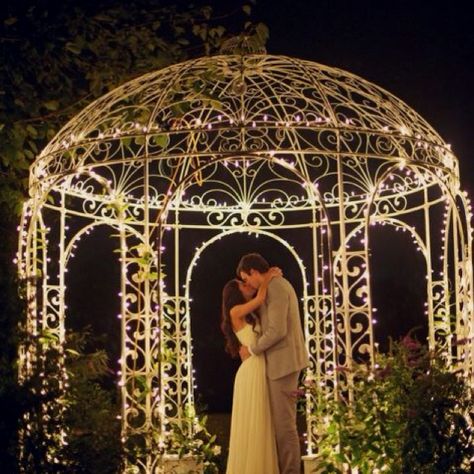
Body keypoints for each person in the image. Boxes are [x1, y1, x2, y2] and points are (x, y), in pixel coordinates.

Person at [237, 253, 309, 474]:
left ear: (254, 272)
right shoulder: (271, 286)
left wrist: (251, 349)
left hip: (283, 365)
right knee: (279, 426)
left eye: (246, 278)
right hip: (279, 364)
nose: (246, 283)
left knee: (284, 428)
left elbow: (277, 331)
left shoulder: (277, 287)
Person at [221, 267, 282, 474]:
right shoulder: (235, 311)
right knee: (253, 424)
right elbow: (260, 298)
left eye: (246, 282)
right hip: (251, 372)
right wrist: (267, 278)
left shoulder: (250, 313)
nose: (248, 285)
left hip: (258, 365)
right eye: (243, 284)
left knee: (262, 422)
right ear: (236, 292)